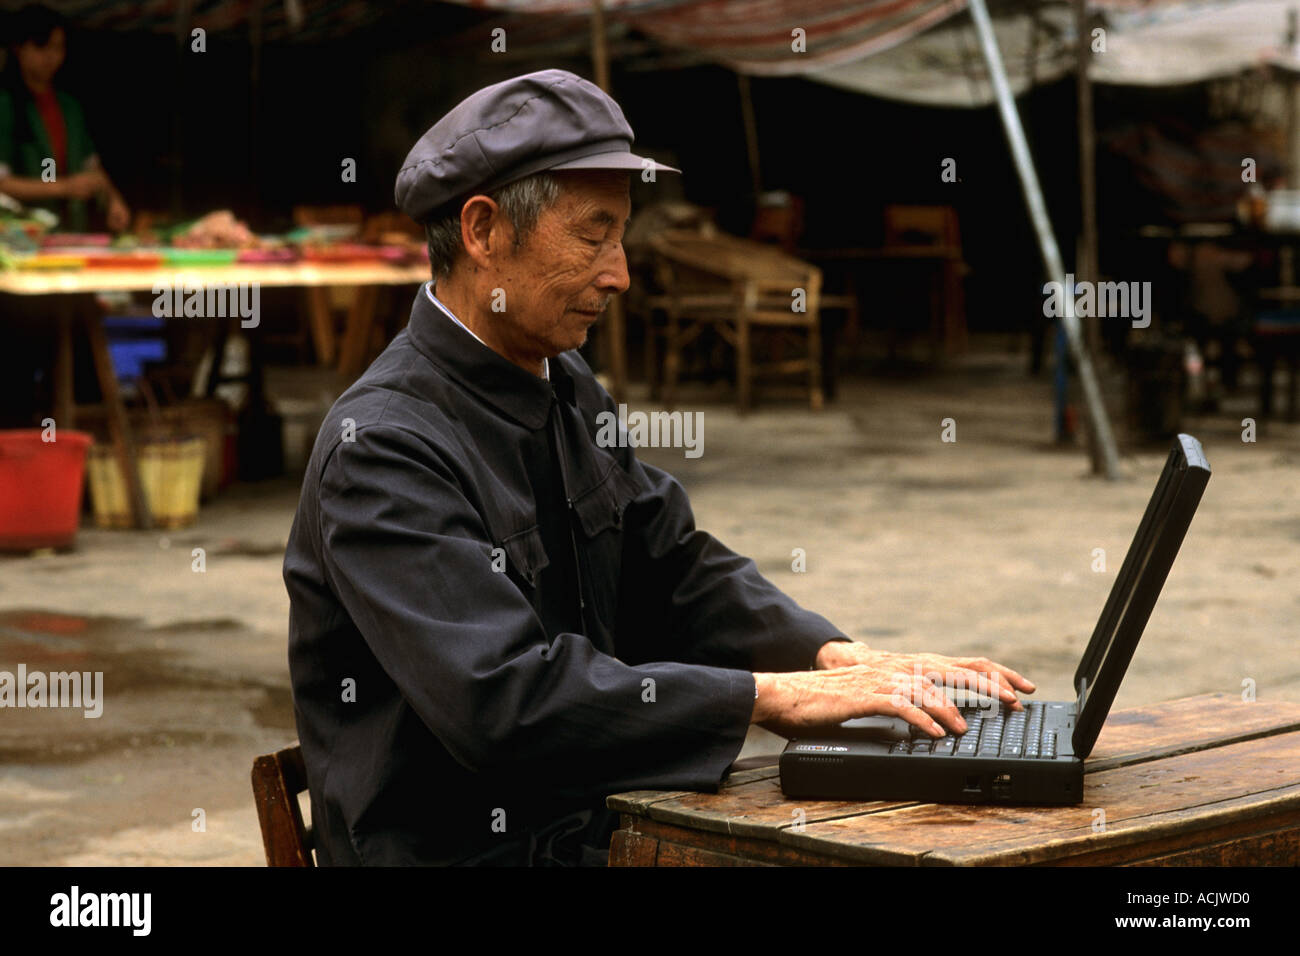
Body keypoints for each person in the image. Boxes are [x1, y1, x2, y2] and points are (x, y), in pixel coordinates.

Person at [282, 69, 1035, 866]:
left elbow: (670, 565)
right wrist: (767, 696)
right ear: (482, 230)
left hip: (591, 820)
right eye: (592, 235)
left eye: (621, 237)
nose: (619, 273)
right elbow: (502, 703)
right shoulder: (385, 449)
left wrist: (828, 657)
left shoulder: (562, 381)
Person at [0, 4, 129, 233]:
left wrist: (113, 199)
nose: (51, 57)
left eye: (58, 48)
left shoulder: (69, 106)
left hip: (69, 229)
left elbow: (91, 165)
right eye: (42, 47)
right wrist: (63, 187)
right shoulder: (6, 105)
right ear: (19, 48)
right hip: (18, 232)